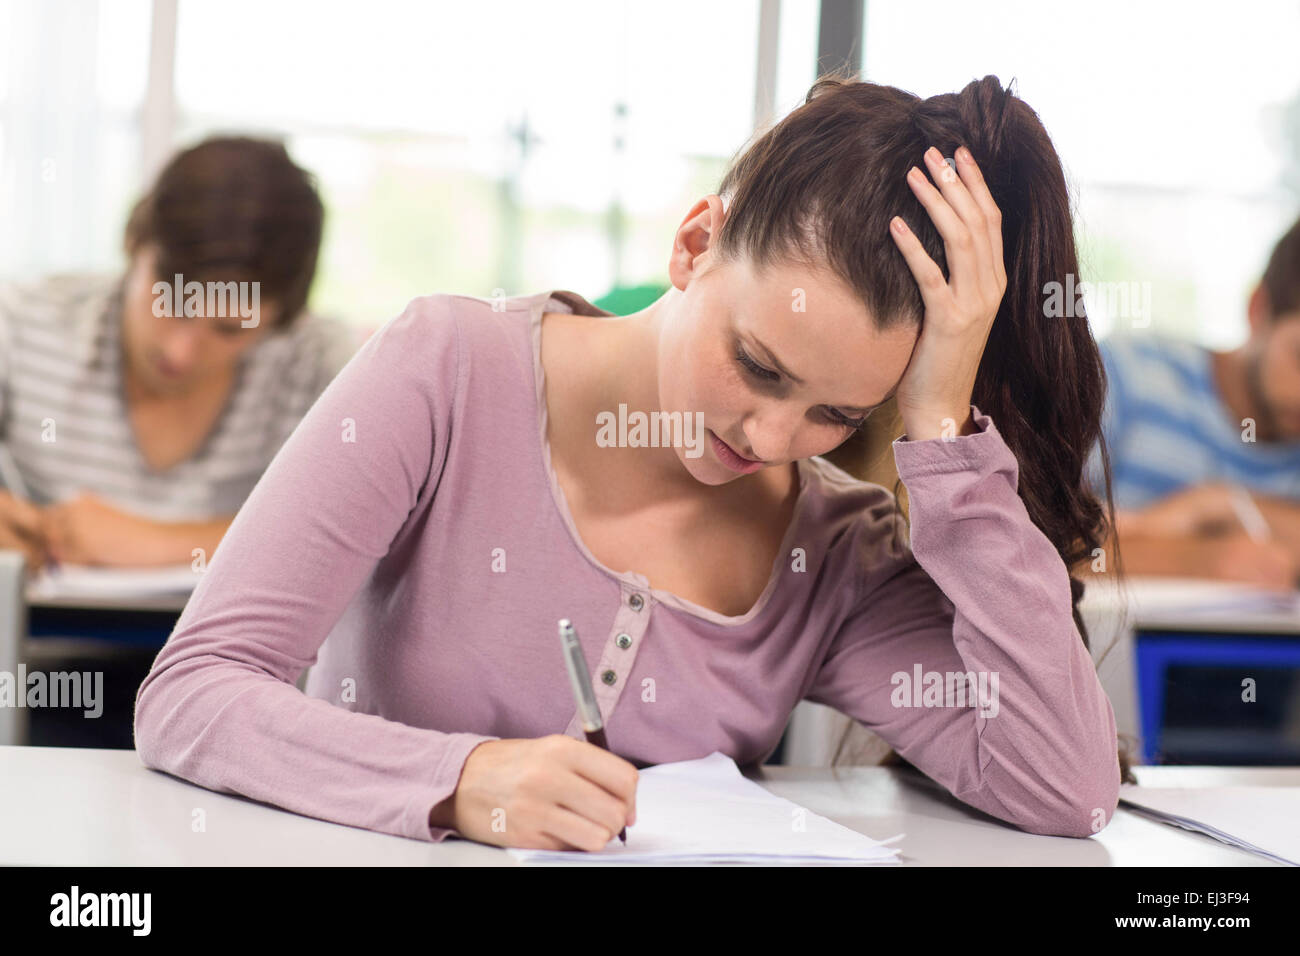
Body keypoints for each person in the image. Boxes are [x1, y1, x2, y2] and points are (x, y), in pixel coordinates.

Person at [135, 74, 1130, 851]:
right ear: (697, 242)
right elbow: (194, 690)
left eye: (837, 411)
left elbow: (1063, 785)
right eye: (755, 363)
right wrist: (461, 778)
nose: (770, 437)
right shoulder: (447, 371)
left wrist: (943, 437)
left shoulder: (831, 554)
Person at [0, 136, 357, 569]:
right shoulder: (21, 324)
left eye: (229, 329)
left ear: (281, 319)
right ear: (135, 243)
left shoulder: (318, 364)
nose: (180, 352)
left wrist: (157, 544)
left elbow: (361, 536)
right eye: (172, 302)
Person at [1087, 217, 1300, 589]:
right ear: (1257, 310)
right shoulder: (1128, 374)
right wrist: (1200, 558)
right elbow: (1031, 538)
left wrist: (1219, 505)